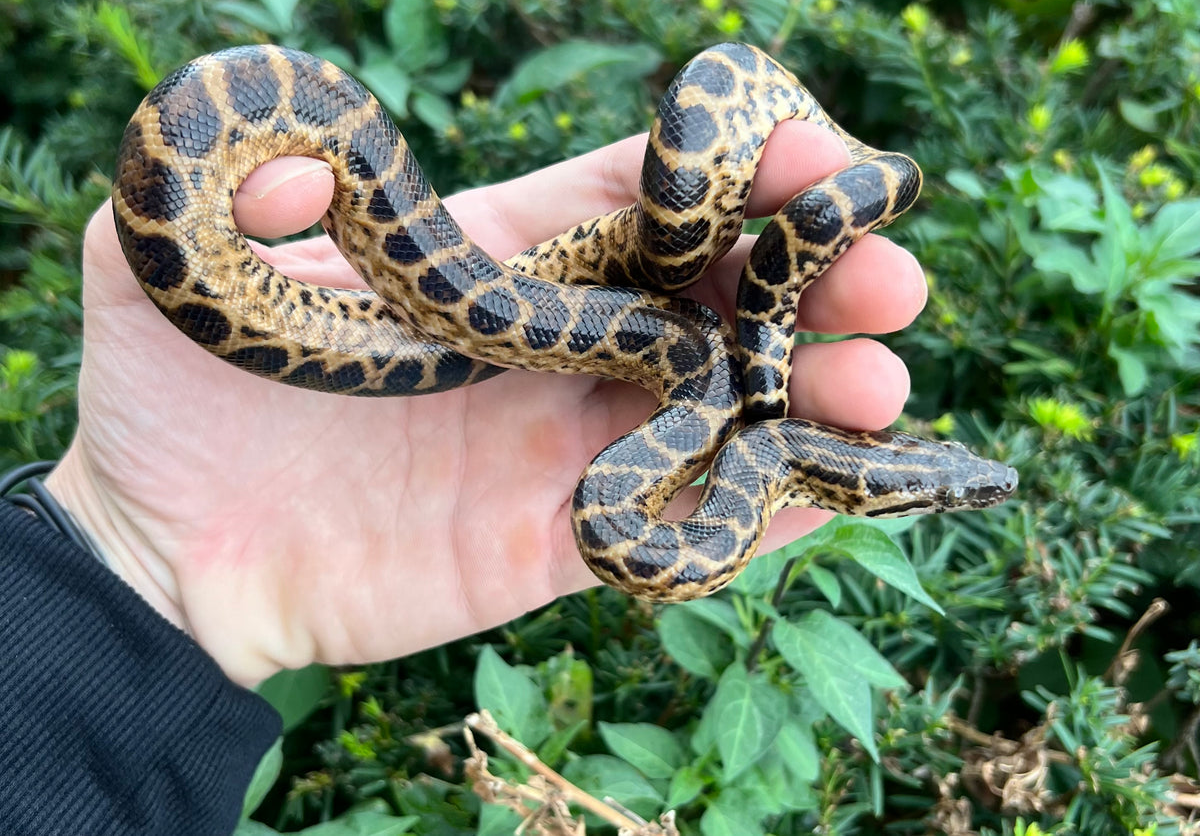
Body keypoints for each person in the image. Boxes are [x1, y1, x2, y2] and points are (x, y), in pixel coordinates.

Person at [1, 119, 929, 835]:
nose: (936, 491)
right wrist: (130, 546)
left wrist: (137, 570)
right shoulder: (707, 409)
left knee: (682, 252)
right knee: (683, 247)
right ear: (840, 489)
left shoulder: (709, 415)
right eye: (930, 488)